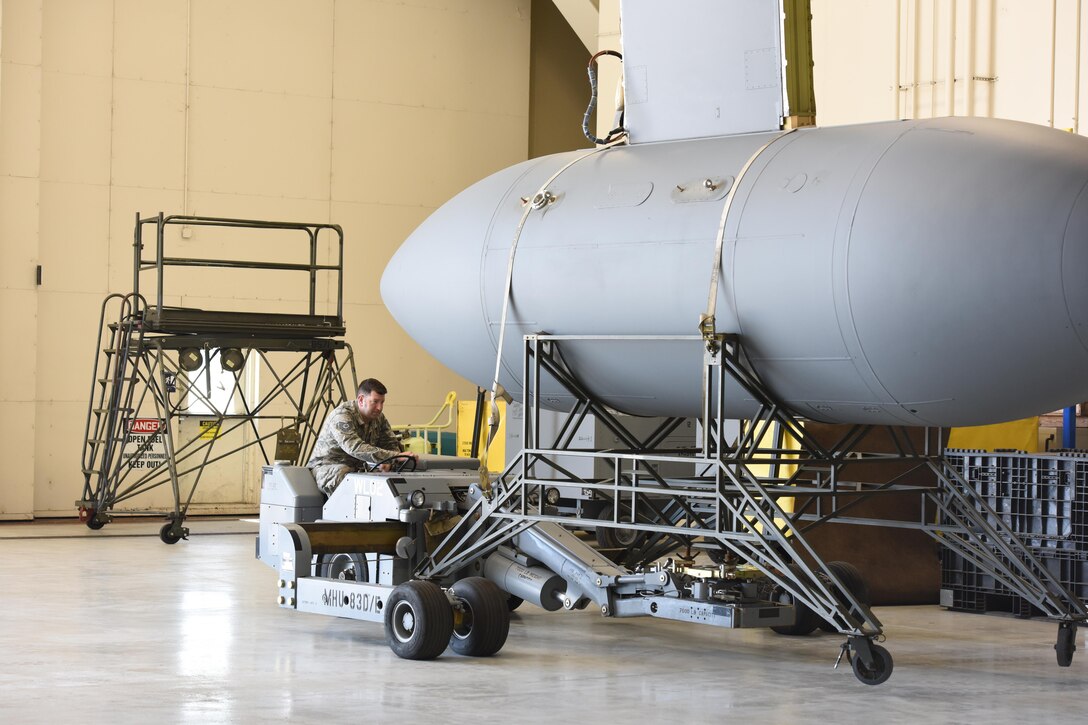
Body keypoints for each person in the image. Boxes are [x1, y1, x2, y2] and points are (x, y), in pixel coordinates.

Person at [307, 378, 418, 495]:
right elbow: (354, 448)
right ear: (361, 400)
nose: (379, 407)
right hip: (326, 468)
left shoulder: (379, 418)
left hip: (357, 469)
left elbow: (390, 444)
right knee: (343, 475)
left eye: (382, 402)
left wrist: (389, 462)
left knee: (391, 477)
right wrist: (395, 456)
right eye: (375, 402)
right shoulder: (342, 416)